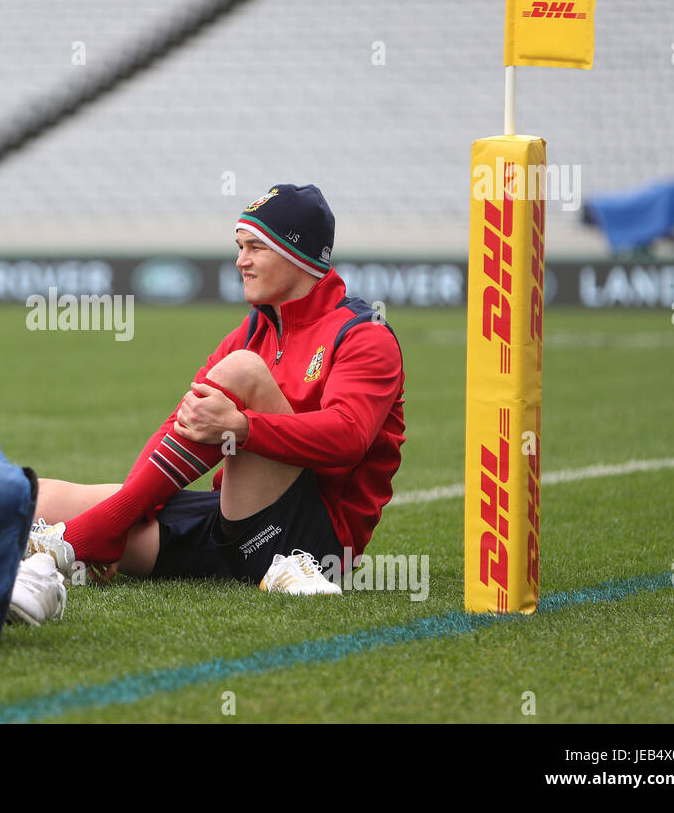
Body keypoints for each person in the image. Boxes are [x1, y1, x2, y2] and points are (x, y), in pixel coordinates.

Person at [26, 184, 405, 595]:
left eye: (255, 247)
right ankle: (103, 526)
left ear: (296, 255)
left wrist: (244, 428)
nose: (241, 261)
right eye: (239, 247)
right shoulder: (252, 329)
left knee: (244, 371)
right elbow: (184, 419)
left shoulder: (364, 334)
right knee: (38, 502)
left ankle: (102, 527)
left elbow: (348, 435)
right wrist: (134, 509)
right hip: (236, 521)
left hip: (312, 542)